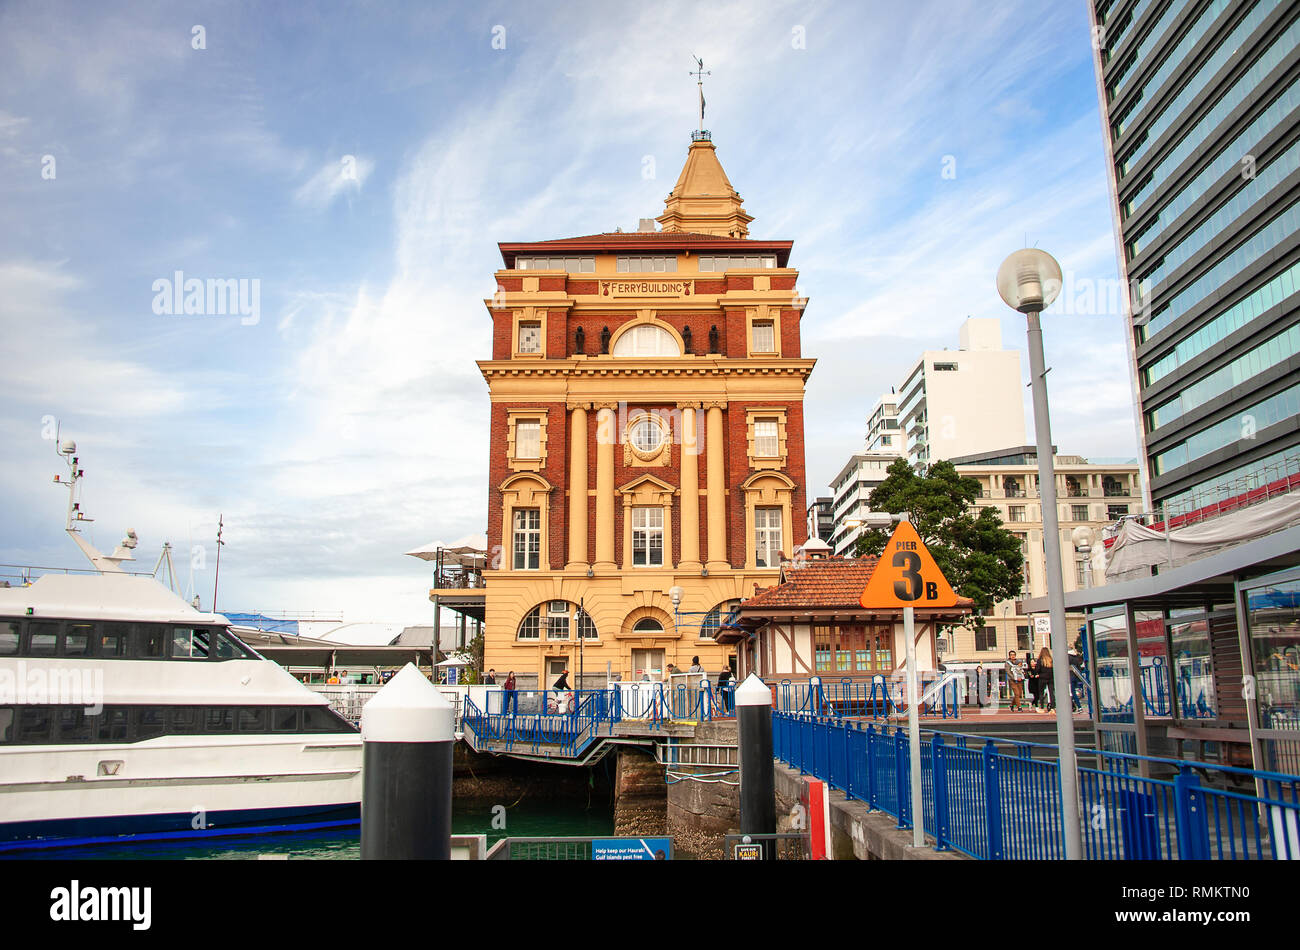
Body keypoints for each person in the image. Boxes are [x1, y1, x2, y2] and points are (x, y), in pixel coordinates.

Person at [1037, 647, 1055, 711]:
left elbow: (1037, 669)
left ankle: (1042, 706)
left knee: (1041, 692)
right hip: (1050, 678)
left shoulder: (1040, 660)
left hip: (1042, 677)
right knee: (1051, 692)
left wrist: (1039, 673)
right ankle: (1053, 706)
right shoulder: (1051, 660)